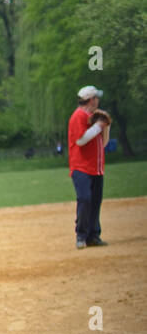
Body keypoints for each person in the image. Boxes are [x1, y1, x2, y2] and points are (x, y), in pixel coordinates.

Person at [68, 85, 111, 249]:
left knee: (95, 202)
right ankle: (81, 235)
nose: (98, 100)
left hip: (97, 167)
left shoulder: (94, 118)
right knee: (85, 199)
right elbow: (80, 140)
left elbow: (104, 143)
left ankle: (94, 235)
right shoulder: (78, 116)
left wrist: (106, 126)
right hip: (81, 167)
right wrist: (98, 126)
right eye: (96, 97)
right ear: (91, 99)